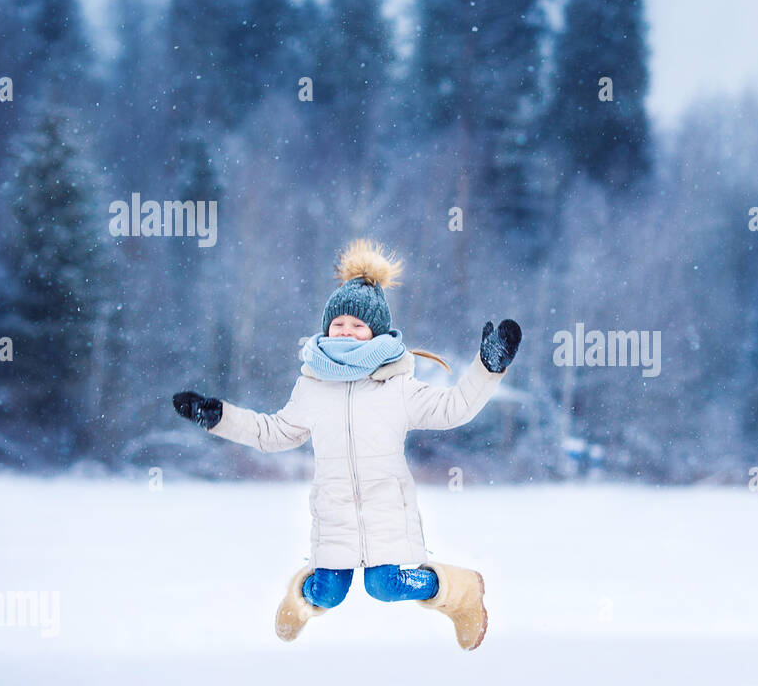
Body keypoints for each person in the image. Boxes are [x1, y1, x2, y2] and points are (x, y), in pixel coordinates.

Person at [172, 239, 520, 650]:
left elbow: (455, 408)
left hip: (385, 510)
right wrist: (220, 418)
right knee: (327, 593)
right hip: (334, 512)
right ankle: (299, 600)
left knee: (385, 586)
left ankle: (460, 592)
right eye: (339, 324)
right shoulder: (312, 388)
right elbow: (272, 433)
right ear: (326, 329)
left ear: (376, 331)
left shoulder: (397, 387)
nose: (346, 331)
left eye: (358, 325)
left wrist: (487, 367)